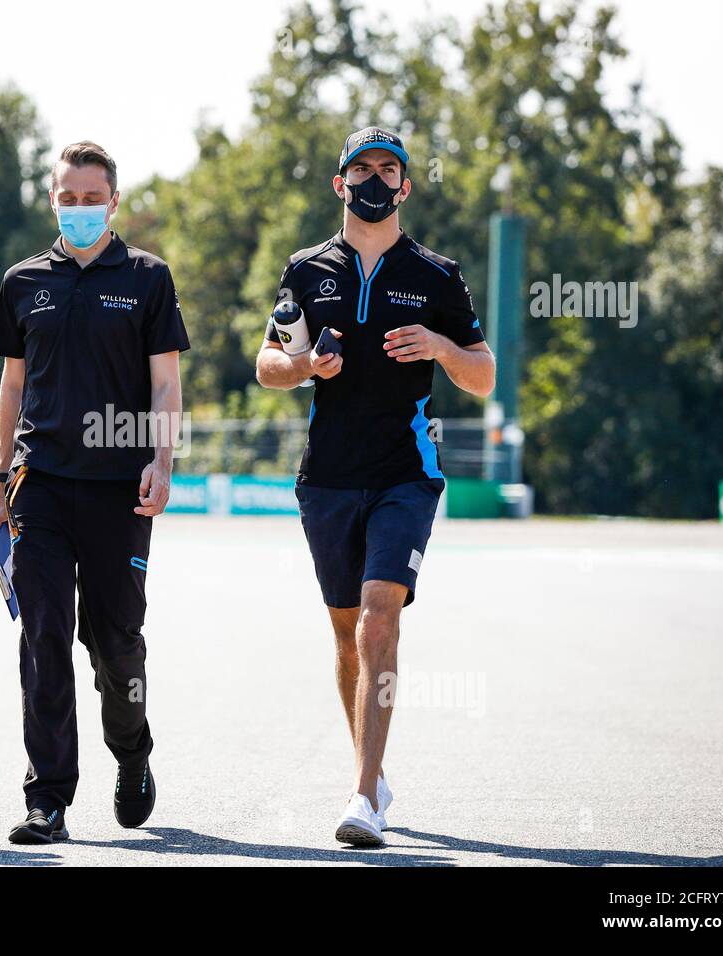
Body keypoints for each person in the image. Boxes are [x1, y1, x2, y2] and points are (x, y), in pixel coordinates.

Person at [255, 127, 495, 846]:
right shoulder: (305, 269)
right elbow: (268, 362)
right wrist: (304, 370)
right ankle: (375, 766)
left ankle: (363, 797)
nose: (374, 179)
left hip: (405, 474)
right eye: (361, 168)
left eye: (388, 169)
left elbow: (483, 376)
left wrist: (443, 347)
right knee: (346, 636)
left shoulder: (436, 274)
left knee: (379, 618)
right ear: (339, 183)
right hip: (327, 477)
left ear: (405, 187)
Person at [0, 141, 190, 844]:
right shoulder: (21, 282)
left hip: (118, 489)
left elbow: (165, 382)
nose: (79, 209)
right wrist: (0, 484)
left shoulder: (146, 278)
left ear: (112, 201)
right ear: (53, 200)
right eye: (66, 198)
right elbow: (12, 387)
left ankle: (132, 752)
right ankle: (47, 797)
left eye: (91, 197)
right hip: (39, 483)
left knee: (113, 642)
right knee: (42, 636)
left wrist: (163, 462)